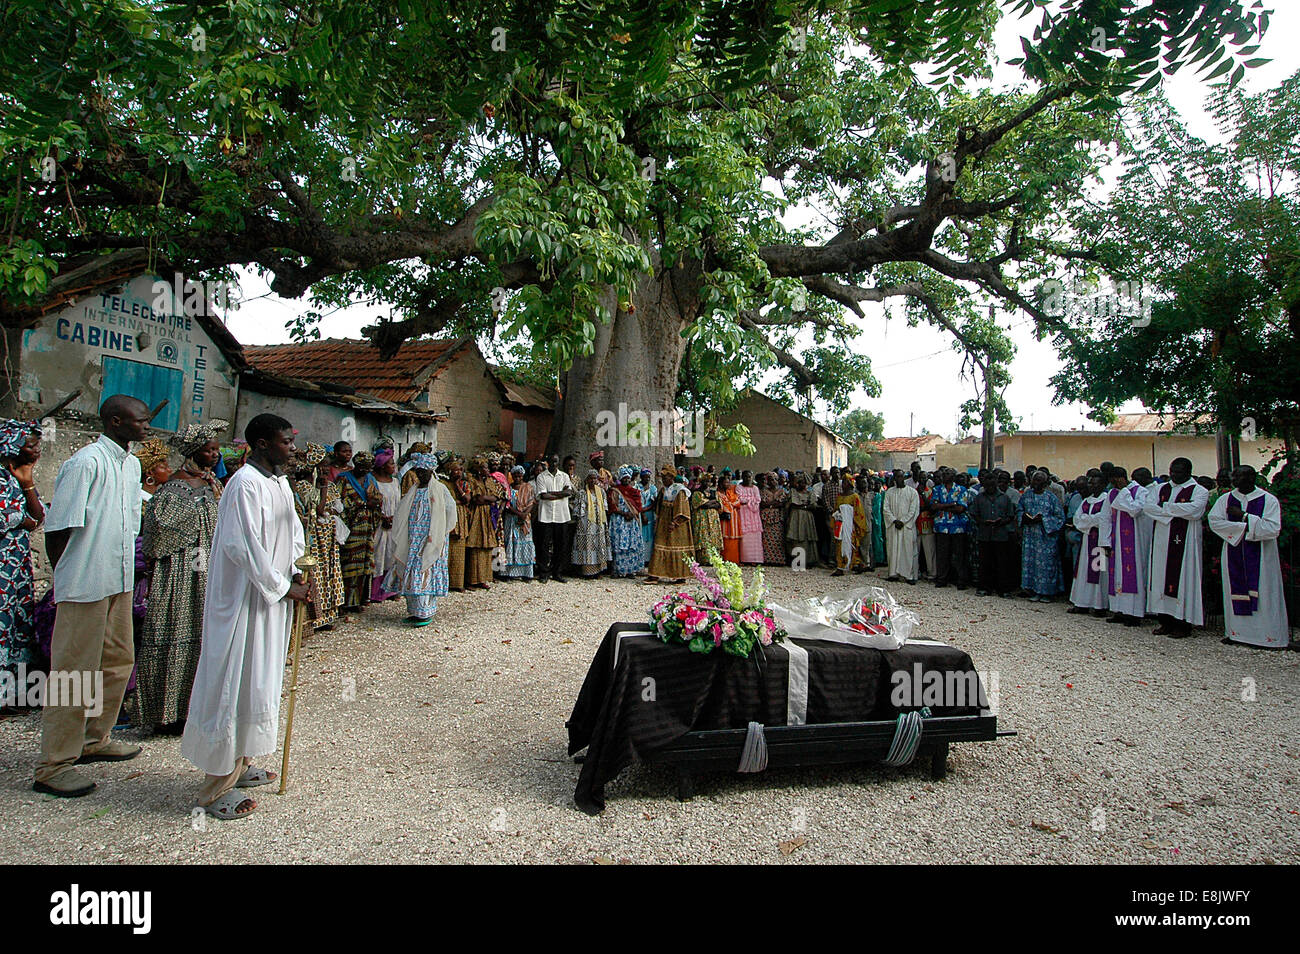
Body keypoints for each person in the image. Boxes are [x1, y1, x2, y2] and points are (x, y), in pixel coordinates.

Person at [181, 413, 308, 820]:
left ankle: (244, 761)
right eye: (286, 441)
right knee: (235, 683)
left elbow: (293, 533)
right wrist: (284, 586)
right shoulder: (243, 485)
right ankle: (215, 787)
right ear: (263, 443)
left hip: (271, 600)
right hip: (243, 602)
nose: (293, 447)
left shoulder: (279, 483)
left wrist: (303, 568)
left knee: (260, 680)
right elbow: (243, 547)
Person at [34, 395, 149, 798]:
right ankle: (55, 763)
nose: (146, 427)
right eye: (139, 421)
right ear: (116, 422)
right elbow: (58, 529)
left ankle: (93, 737)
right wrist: (65, 578)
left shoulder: (131, 464)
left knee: (118, 661)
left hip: (116, 580)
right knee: (73, 672)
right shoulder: (85, 463)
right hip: (85, 584)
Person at [134, 419, 226, 734]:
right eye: (208, 449)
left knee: (205, 635)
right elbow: (157, 538)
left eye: (216, 449)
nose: (214, 454)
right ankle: (167, 714)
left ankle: (196, 709)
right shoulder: (174, 489)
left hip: (208, 572)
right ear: (193, 451)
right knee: (177, 632)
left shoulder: (213, 483)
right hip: (180, 574)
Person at [1207, 465, 1289, 648]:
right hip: (1233, 552)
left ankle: (1266, 637)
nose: (1234, 481)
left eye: (1239, 477)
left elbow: (1273, 528)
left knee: (1264, 592)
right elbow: (1215, 522)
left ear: (1252, 478)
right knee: (1233, 590)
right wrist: (1242, 529)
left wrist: (1244, 517)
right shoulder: (1226, 499)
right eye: (1234, 477)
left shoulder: (1268, 500)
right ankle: (1237, 634)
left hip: (1262, 557)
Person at [386, 453, 456, 625]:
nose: (420, 475)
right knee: (412, 570)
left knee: (425, 570)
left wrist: (439, 533)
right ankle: (414, 610)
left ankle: (425, 612)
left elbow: (450, 509)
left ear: (431, 471)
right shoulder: (414, 490)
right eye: (418, 471)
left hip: (431, 539)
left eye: (423, 471)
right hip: (413, 539)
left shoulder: (440, 489)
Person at [0, 419, 45, 688]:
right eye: (30, 445)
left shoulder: (18, 477)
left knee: (17, 618)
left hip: (16, 562)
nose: (37, 449)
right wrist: (21, 519)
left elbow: (38, 516)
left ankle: (11, 691)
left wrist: (27, 483)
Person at [1144, 457, 1209, 639]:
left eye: (1178, 471)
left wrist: (1165, 508)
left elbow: (1195, 510)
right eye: (1172, 470)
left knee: (1183, 579)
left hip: (1184, 543)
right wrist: (1175, 511)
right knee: (1159, 578)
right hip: (1161, 541)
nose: (1174, 474)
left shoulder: (1199, 491)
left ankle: (1183, 623)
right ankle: (1165, 621)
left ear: (1188, 472)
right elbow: (1148, 508)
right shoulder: (1161, 488)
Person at [337, 451, 382, 610]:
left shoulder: (370, 479)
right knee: (349, 564)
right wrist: (362, 504)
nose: (366, 471)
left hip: (367, 527)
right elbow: (339, 503)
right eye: (363, 468)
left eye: (368, 468)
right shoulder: (343, 479)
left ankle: (360, 600)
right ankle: (346, 602)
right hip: (351, 529)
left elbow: (378, 499)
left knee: (365, 565)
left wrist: (375, 503)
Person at [1103, 466, 1148, 626]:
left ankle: (1134, 613)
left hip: (1134, 542)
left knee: (1133, 575)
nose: (1112, 484)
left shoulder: (1140, 491)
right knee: (1116, 576)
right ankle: (1118, 610)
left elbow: (1135, 510)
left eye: (1114, 481)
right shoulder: (1111, 493)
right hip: (1116, 541)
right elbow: (1105, 518)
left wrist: (1124, 491)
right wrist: (1105, 542)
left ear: (1121, 478)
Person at [1018, 470, 1065, 602]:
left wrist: (1044, 520)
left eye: (1039, 480)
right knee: (1030, 564)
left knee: (1046, 565)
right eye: (1034, 480)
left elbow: (1060, 517)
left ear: (1045, 483)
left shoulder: (1051, 498)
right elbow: (1019, 510)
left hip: (1046, 538)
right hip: (1030, 537)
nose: (1036, 483)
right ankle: (1032, 590)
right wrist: (1024, 518)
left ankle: (1047, 593)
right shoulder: (1026, 496)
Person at [1068, 472, 1111, 616]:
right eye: (1090, 483)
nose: (1091, 486)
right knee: (1083, 572)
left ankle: (1099, 605)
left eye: (1095, 483)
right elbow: (1077, 519)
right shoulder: (1086, 501)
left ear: (1103, 484)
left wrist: (1089, 520)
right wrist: (1090, 521)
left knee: (1098, 571)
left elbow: (1104, 519)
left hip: (1099, 541)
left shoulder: (1107, 500)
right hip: (1087, 540)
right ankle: (1082, 603)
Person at [969, 472, 1016, 597]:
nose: (990, 487)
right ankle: (984, 587)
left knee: (1002, 563)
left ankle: (1003, 589)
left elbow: (1011, 515)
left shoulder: (1005, 498)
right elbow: (973, 513)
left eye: (992, 484)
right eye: (987, 485)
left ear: (996, 484)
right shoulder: (979, 498)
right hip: (984, 534)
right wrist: (982, 522)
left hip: (1001, 534)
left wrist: (1001, 522)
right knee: (984, 563)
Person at [645, 470, 693, 582]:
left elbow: (683, 509)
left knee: (678, 548)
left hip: (677, 526)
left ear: (671, 478)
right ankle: (654, 574)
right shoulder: (663, 490)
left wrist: (675, 522)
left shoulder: (680, 491)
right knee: (659, 545)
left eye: (665, 478)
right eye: (662, 478)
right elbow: (658, 506)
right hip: (663, 523)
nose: (663, 480)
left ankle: (680, 576)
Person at [533, 454, 575, 583]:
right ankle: (544, 573)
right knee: (543, 545)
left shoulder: (564, 476)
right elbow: (543, 496)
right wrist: (560, 494)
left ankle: (557, 572)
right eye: (551, 461)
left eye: (556, 461)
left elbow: (569, 492)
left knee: (560, 545)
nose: (554, 463)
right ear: (548, 463)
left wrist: (552, 493)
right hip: (546, 516)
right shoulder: (541, 477)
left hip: (561, 516)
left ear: (558, 462)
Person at [369, 448, 401, 602]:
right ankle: (376, 592)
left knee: (392, 555)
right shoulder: (373, 481)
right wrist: (382, 517)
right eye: (391, 463)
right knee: (378, 555)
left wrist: (395, 518)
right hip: (379, 524)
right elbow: (371, 501)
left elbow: (399, 502)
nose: (394, 466)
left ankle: (391, 589)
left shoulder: (395, 482)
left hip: (394, 523)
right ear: (382, 466)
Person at [931, 468, 970, 590]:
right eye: (944, 474)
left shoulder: (961, 490)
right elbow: (933, 506)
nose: (944, 476)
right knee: (942, 554)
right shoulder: (937, 489)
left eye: (947, 474)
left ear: (953, 476)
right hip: (942, 527)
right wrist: (951, 504)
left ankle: (961, 580)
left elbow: (961, 509)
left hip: (958, 527)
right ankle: (942, 579)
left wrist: (942, 506)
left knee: (959, 554)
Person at [462, 458, 498, 589]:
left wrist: (486, 499)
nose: (487, 470)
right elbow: (476, 499)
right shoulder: (472, 481)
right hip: (476, 514)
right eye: (484, 467)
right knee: (475, 544)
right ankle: (471, 580)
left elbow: (495, 497)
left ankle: (483, 578)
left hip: (488, 514)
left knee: (486, 545)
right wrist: (486, 500)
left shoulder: (489, 481)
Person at [608, 467, 646, 578]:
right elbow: (612, 506)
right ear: (621, 478)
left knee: (631, 545)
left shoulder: (634, 492)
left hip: (631, 522)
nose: (626, 480)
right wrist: (624, 514)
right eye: (624, 478)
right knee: (619, 545)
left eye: (628, 478)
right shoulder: (615, 491)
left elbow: (639, 506)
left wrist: (632, 514)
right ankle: (617, 570)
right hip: (619, 521)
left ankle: (630, 570)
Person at [571, 470, 611, 576]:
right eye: (590, 478)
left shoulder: (601, 492)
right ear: (587, 479)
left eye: (595, 478)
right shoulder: (582, 493)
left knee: (598, 544)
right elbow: (578, 511)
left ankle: (598, 570)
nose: (592, 480)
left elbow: (605, 508)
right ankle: (587, 571)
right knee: (587, 545)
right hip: (586, 524)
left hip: (599, 523)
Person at [883, 470, 919, 584]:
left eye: (901, 477)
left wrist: (903, 521)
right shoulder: (889, 492)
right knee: (892, 549)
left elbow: (913, 510)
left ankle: (908, 575)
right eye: (897, 477)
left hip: (906, 527)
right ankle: (893, 573)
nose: (899, 479)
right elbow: (886, 509)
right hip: (893, 526)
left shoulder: (912, 492)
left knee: (907, 550)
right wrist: (894, 520)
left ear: (904, 478)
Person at [501, 465, 537, 580]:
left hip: (524, 520)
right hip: (511, 519)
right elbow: (507, 504)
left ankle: (526, 573)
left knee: (524, 543)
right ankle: (508, 573)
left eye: (519, 475)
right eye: (515, 475)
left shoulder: (528, 487)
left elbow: (531, 502)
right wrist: (517, 513)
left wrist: (524, 514)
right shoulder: (508, 489)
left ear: (523, 476)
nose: (517, 477)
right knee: (510, 543)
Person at [784, 472, 819, 568]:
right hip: (795, 516)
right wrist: (805, 506)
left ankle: (807, 560)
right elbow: (793, 504)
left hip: (807, 518)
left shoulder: (810, 493)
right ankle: (796, 560)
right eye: (799, 482)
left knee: (807, 538)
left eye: (803, 483)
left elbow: (813, 505)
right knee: (795, 538)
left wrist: (805, 506)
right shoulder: (793, 492)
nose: (801, 484)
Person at [690, 472, 724, 564]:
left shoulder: (714, 492)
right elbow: (702, 505)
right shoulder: (697, 493)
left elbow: (719, 505)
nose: (707, 483)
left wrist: (710, 503)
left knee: (713, 537)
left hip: (713, 520)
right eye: (704, 481)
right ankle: (703, 560)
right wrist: (712, 502)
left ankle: (714, 559)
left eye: (708, 481)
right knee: (703, 538)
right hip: (702, 520)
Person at [759, 472, 787, 565]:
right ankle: (767, 559)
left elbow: (781, 503)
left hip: (777, 517)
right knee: (766, 538)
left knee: (778, 538)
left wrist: (770, 504)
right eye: (770, 479)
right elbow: (762, 504)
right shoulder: (763, 491)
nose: (773, 481)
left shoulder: (782, 491)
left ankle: (778, 560)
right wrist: (773, 503)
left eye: (775, 479)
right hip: (766, 517)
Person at [717, 474, 742, 563]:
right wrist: (731, 505)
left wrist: (731, 505)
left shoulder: (731, 492)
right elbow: (722, 505)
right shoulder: (718, 494)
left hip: (734, 518)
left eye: (728, 482)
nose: (728, 484)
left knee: (734, 539)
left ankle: (734, 560)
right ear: (720, 484)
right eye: (726, 482)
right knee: (725, 537)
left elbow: (738, 501)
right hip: (725, 518)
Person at [638, 468, 658, 567]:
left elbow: (655, 502)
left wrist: (646, 510)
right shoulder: (637, 487)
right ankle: (640, 558)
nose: (647, 479)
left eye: (648, 477)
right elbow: (636, 502)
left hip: (650, 514)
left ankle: (648, 559)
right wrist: (642, 512)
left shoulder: (653, 488)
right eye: (645, 477)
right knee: (640, 534)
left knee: (650, 537)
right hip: (639, 514)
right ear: (641, 477)